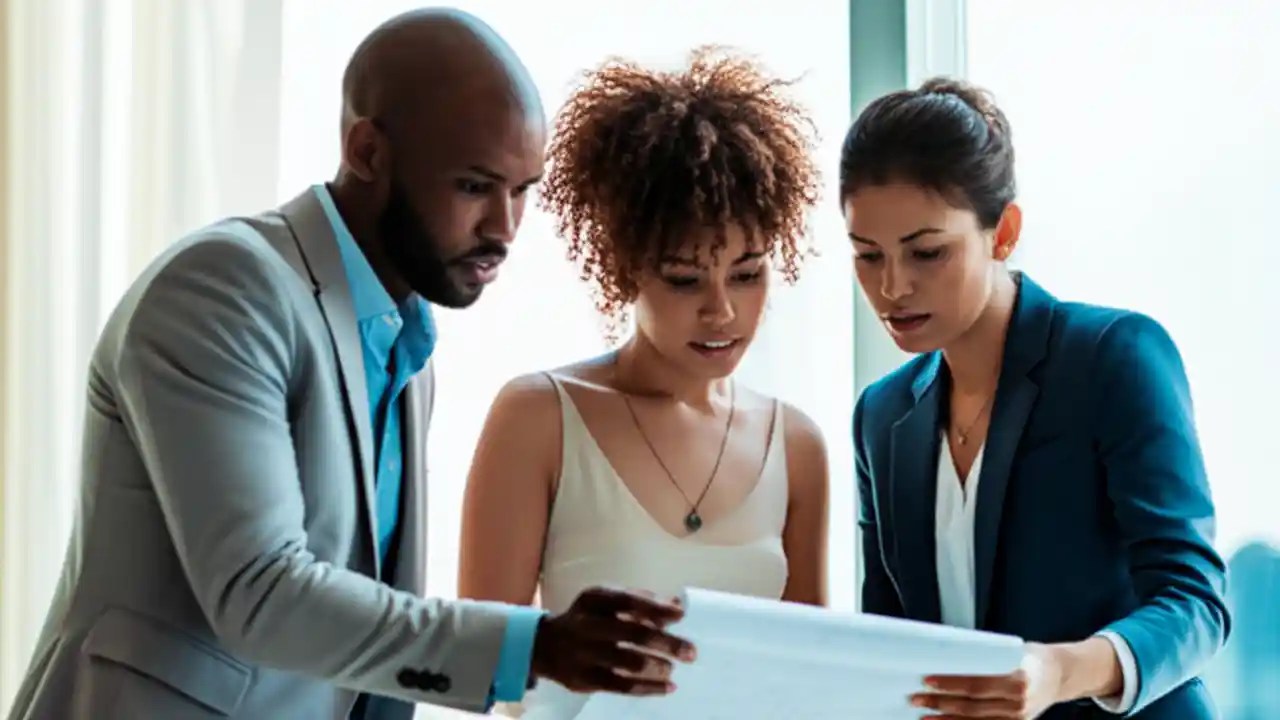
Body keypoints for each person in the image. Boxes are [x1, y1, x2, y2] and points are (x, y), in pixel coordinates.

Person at [5, 10, 695, 720]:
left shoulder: (407, 342)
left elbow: (360, 636)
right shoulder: (223, 291)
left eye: (522, 191)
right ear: (366, 150)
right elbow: (263, 591)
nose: (503, 229)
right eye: (472, 186)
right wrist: (533, 647)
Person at [456, 46, 831, 718]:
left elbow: (809, 680)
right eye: (685, 279)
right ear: (623, 268)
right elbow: (480, 668)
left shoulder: (797, 445)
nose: (722, 311)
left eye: (747, 275)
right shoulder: (539, 417)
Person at [843, 77, 1230, 719]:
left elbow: (1196, 602)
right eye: (867, 256)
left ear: (1004, 232)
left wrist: (1059, 670)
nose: (892, 286)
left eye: (928, 252)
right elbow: (892, 649)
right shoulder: (880, 417)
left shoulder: (1113, 355)